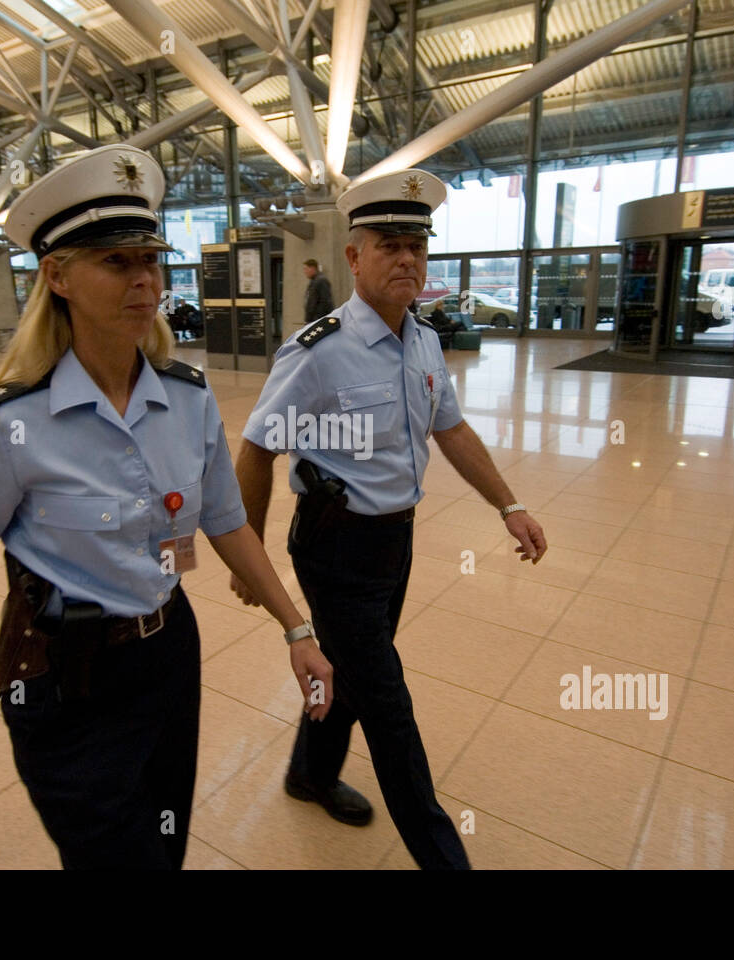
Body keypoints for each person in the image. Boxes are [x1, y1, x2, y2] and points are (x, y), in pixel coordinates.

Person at [0, 144, 333, 870]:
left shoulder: (187, 396)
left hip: (169, 653)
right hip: (63, 676)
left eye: (150, 259)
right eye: (116, 262)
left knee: (165, 840)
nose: (144, 279)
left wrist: (295, 626)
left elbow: (226, 519)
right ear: (57, 277)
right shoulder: (8, 422)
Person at [231, 169, 549, 870]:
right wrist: (246, 557)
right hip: (334, 546)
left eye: (417, 245)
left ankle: (308, 773)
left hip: (394, 543)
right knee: (389, 708)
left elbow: (454, 431)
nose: (407, 258)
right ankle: (443, 858)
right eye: (389, 245)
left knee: (349, 669)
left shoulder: (424, 342)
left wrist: (510, 504)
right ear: (354, 256)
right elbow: (255, 449)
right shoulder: (318, 351)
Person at [303, 258, 333, 326]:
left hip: (319, 321)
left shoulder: (321, 281)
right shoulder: (313, 282)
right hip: (313, 320)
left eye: (306, 269)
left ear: (313, 268)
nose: (305, 272)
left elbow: (326, 301)